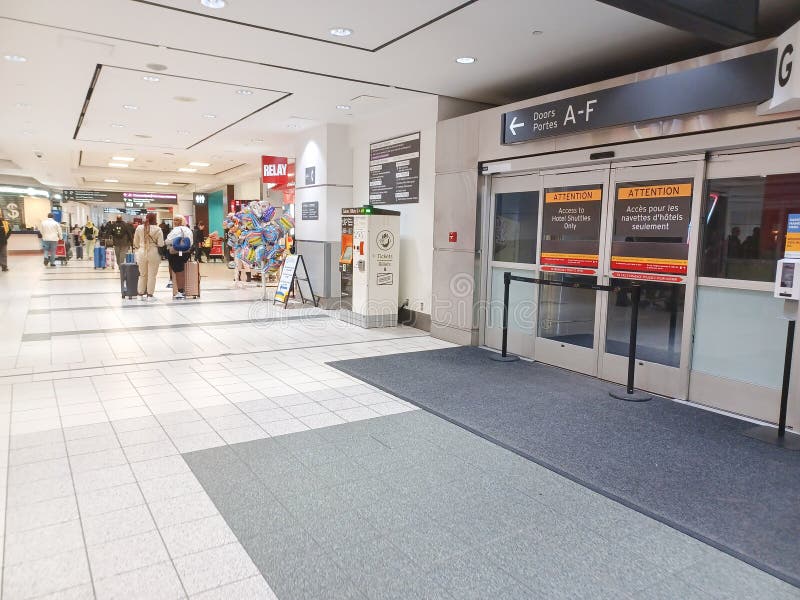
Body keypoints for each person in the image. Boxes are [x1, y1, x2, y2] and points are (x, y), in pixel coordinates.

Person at [133, 213, 164, 301]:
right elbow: (161, 243)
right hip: (153, 252)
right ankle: (150, 295)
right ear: (155, 219)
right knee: (152, 275)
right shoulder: (158, 229)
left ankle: (140, 294)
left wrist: (140, 247)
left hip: (141, 252)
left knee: (142, 274)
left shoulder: (139, 228)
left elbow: (135, 242)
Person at [165, 215, 193, 300]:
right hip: (186, 252)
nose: (174, 222)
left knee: (178, 271)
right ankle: (181, 290)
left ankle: (180, 291)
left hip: (175, 253)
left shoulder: (175, 230)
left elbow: (167, 241)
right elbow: (191, 242)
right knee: (181, 270)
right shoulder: (188, 230)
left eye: (175, 220)